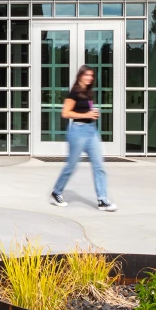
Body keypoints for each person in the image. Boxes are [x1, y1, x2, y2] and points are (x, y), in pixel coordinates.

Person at [50, 66, 117, 211]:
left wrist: (92, 113)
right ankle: (57, 192)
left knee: (99, 165)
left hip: (92, 131)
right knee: (71, 166)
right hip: (77, 131)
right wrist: (86, 115)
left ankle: (102, 200)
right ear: (80, 75)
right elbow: (65, 113)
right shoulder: (74, 92)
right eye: (87, 75)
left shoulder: (88, 92)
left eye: (91, 75)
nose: (89, 78)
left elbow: (85, 109)